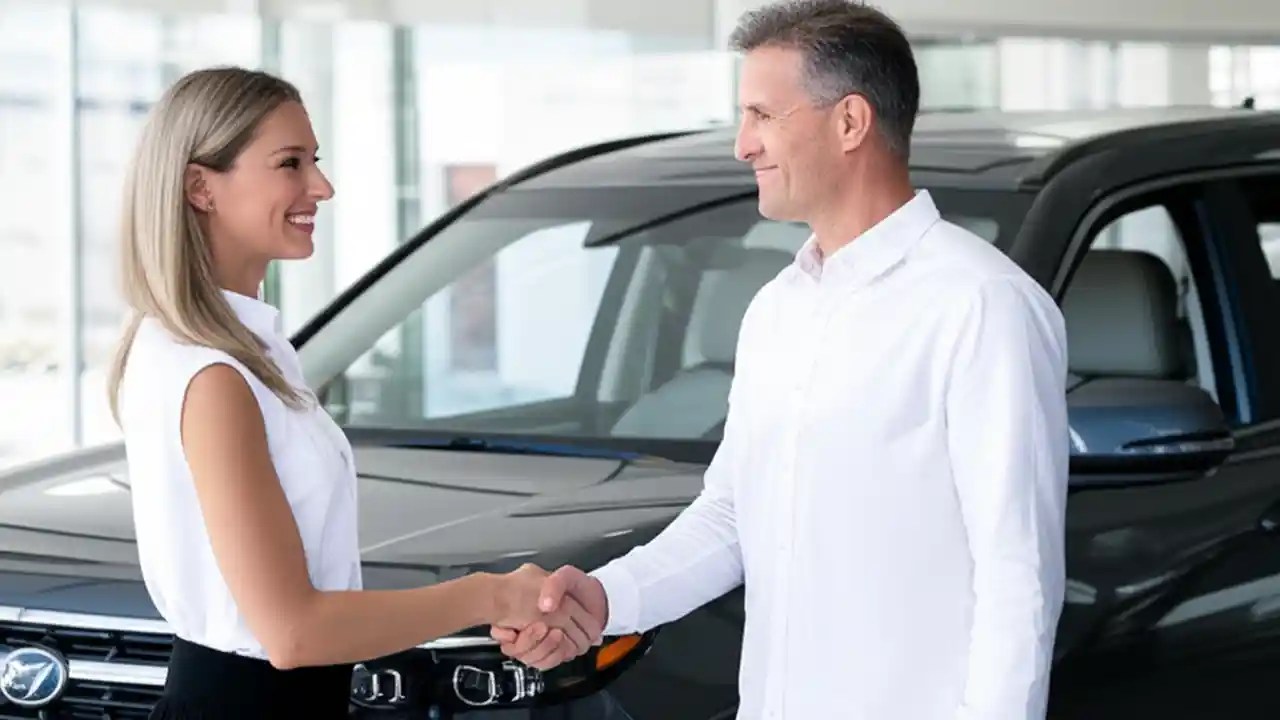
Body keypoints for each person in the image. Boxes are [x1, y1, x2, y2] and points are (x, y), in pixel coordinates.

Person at [491, 1, 1070, 718]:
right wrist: (606, 597)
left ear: (850, 122)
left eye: (763, 114)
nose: (742, 145)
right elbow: (733, 517)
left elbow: (1019, 575)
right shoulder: (778, 307)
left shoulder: (982, 304)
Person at [107, 66, 600, 720]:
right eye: (290, 163)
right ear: (200, 186)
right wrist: (489, 596)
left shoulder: (220, 348)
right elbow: (293, 632)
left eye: (315, 160)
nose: (321, 186)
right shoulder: (213, 375)